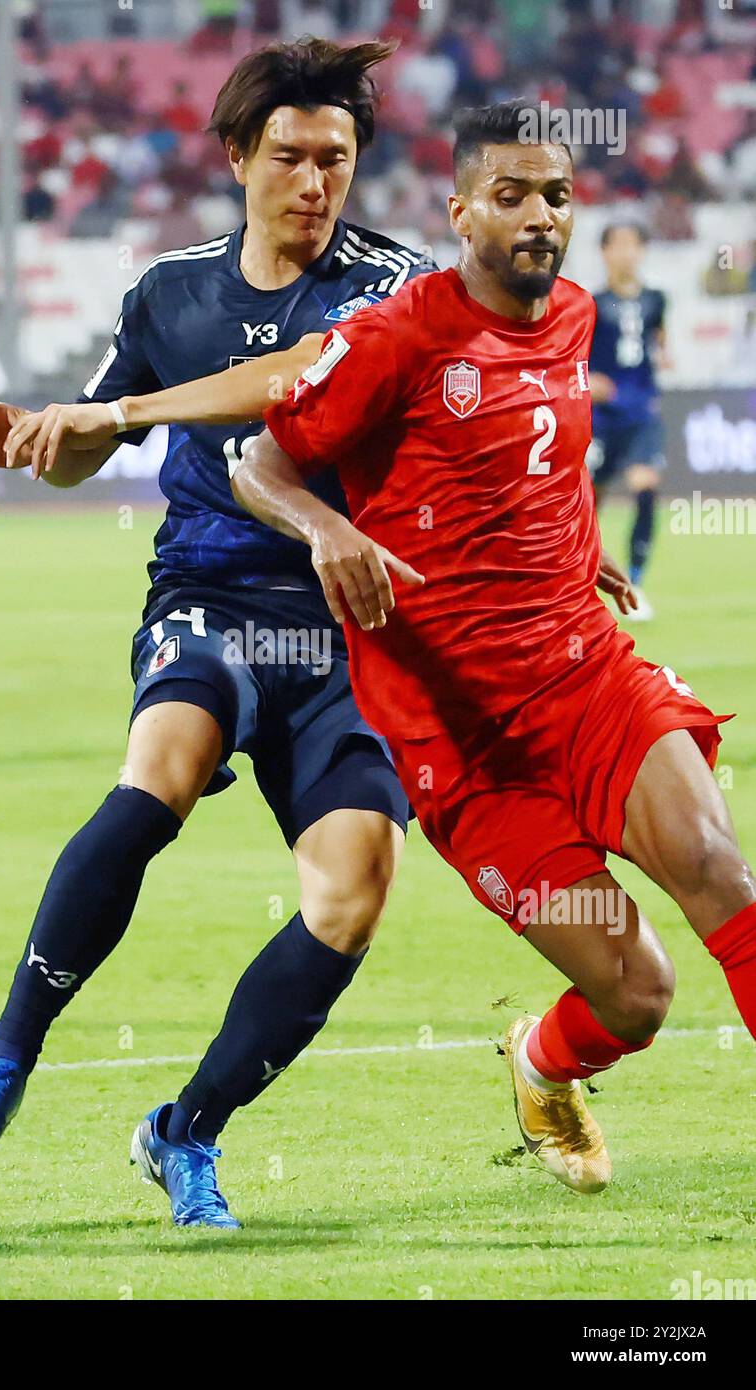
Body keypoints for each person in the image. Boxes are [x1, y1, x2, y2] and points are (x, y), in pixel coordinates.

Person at [0, 39, 435, 1230]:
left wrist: (115, 410)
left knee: (352, 892)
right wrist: (53, 442)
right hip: (208, 596)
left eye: (337, 160)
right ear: (233, 159)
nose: (316, 184)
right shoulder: (167, 290)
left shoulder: (392, 282)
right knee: (158, 772)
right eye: (290, 159)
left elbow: (298, 375)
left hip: (346, 628)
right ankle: (8, 1052)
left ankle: (184, 1132)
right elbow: (95, 445)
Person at [232, 100, 756, 1196]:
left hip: (584, 673)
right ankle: (537, 1064)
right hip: (459, 739)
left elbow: (542, 451)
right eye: (510, 195)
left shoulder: (568, 314)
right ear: (459, 211)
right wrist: (331, 529)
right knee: (637, 996)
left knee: (714, 865)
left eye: (555, 195)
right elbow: (259, 465)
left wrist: (586, 544)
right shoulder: (394, 339)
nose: (537, 216)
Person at [588, 222, 668, 620]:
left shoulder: (656, 299)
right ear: (604, 252)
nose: (626, 253)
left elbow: (660, 344)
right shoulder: (592, 302)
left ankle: (634, 582)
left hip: (642, 415)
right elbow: (574, 358)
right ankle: (579, 581)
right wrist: (586, 381)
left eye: (633, 245)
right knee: (586, 504)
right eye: (618, 245)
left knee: (646, 487)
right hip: (600, 419)